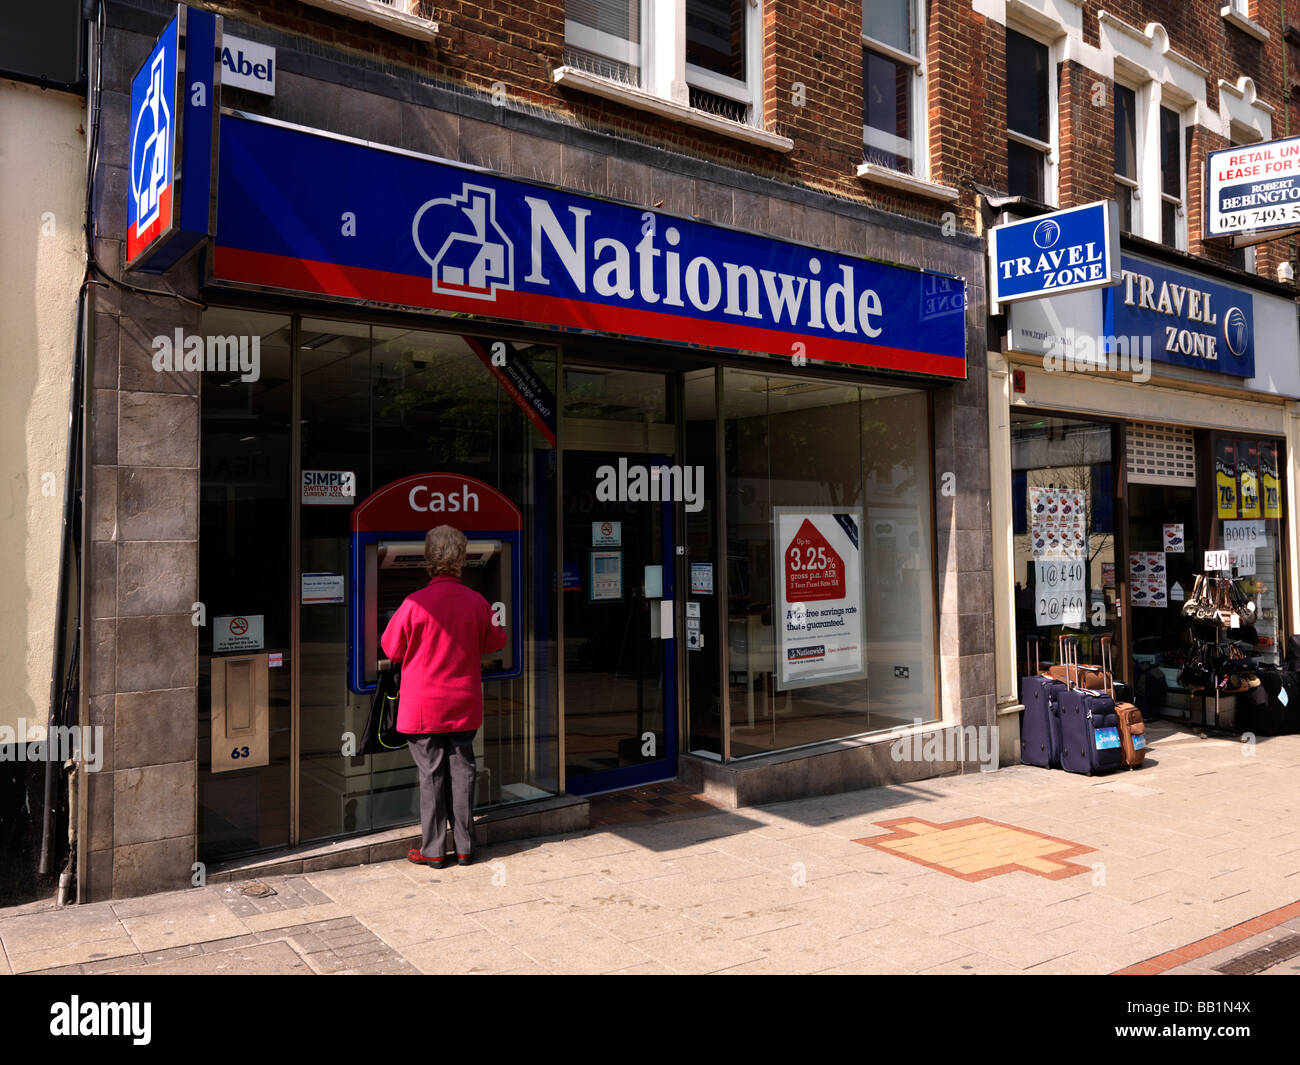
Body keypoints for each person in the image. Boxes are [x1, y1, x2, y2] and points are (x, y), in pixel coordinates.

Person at [381, 524, 506, 869]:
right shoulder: (477, 601)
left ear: (428, 560)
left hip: (423, 707)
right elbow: (497, 642)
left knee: (431, 774)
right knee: (463, 771)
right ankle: (465, 846)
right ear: (462, 560)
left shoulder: (413, 603)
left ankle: (434, 850)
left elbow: (391, 648)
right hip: (463, 702)